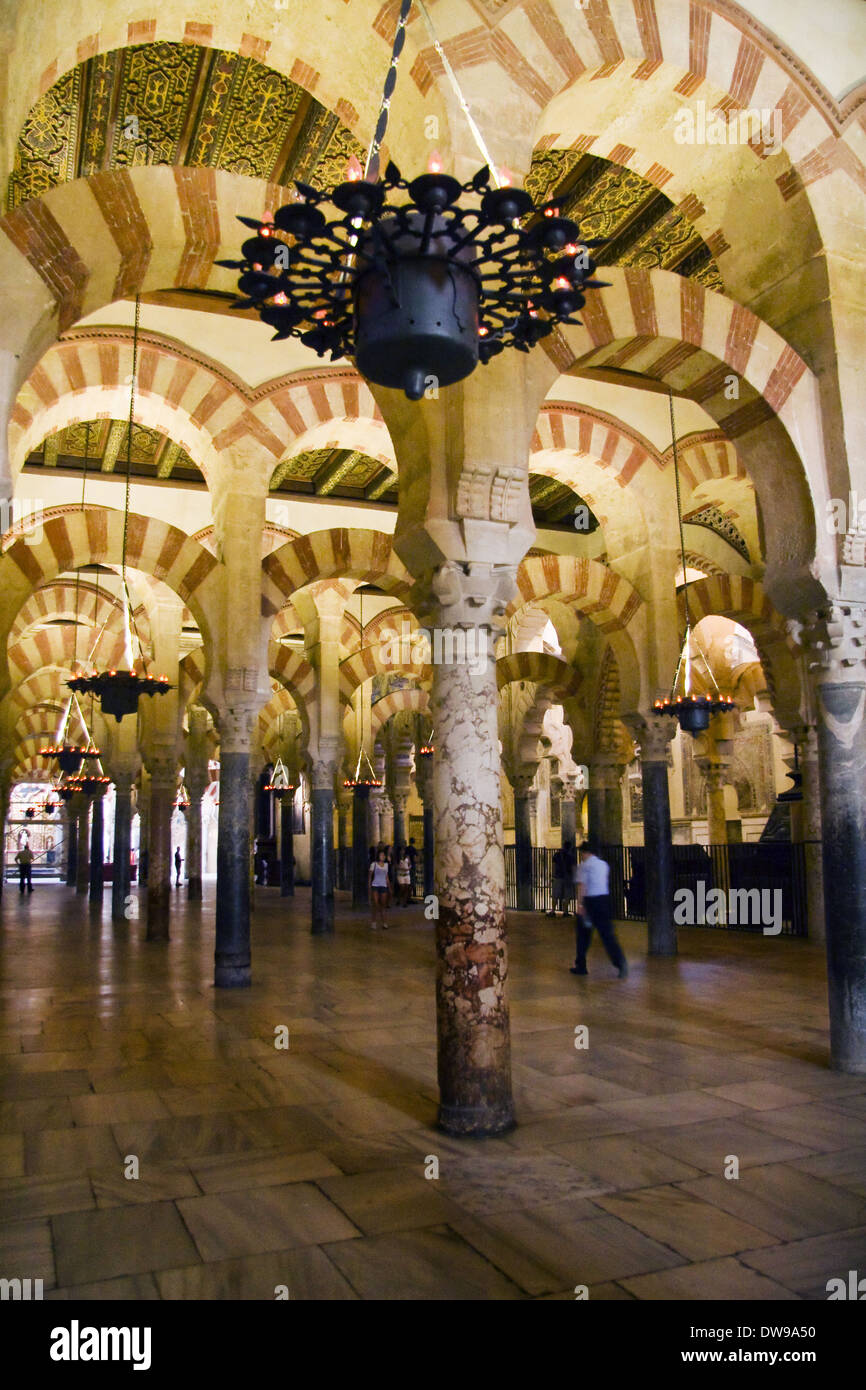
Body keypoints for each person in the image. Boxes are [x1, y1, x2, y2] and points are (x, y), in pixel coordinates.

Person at [570, 841, 628, 978]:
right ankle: (621, 963)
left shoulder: (584, 866)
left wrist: (580, 905)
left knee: (583, 936)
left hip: (590, 902)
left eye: (581, 853)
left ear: (585, 852)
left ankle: (581, 966)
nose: (581, 856)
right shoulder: (603, 865)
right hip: (604, 901)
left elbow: (582, 886)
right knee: (608, 935)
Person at [547, 845, 573, 916]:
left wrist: (553, 876)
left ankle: (552, 911)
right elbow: (573, 868)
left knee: (555, 895)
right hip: (567, 878)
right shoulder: (570, 856)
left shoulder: (557, 855)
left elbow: (553, 866)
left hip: (558, 877)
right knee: (567, 896)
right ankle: (565, 912)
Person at [369, 848, 391, 930]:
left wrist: (389, 887)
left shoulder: (386, 865)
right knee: (375, 903)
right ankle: (374, 922)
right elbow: (370, 876)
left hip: (383, 885)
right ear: (378, 856)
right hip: (375, 885)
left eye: (384, 855)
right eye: (381, 855)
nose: (383, 856)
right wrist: (369, 886)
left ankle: (384, 922)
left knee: (383, 905)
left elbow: (387, 877)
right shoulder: (374, 864)